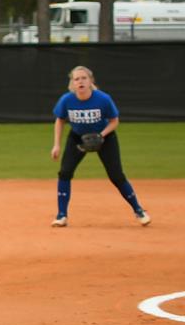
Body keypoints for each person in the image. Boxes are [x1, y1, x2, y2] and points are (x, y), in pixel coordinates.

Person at [50, 65, 151, 228]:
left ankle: (138, 210)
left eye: (84, 78)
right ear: (72, 83)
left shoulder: (103, 99)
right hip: (77, 137)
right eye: (77, 79)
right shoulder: (67, 100)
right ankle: (61, 215)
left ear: (90, 81)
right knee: (65, 172)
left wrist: (100, 136)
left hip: (105, 137)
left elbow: (114, 121)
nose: (80, 81)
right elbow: (60, 120)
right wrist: (56, 145)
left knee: (116, 175)